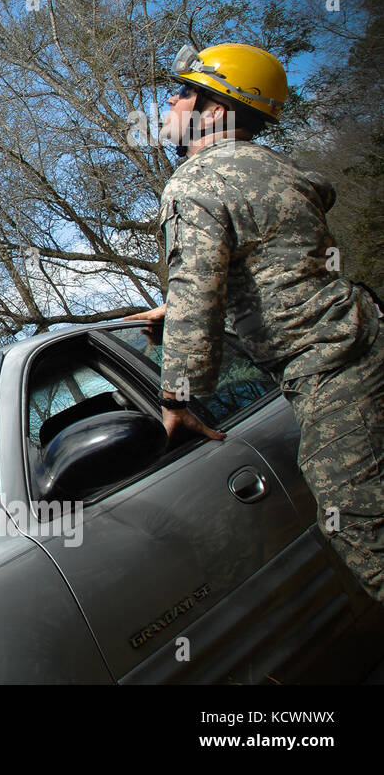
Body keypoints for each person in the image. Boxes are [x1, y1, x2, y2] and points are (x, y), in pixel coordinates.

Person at [127, 41, 384, 601]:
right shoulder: (274, 170)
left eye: (182, 92)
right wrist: (187, 307)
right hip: (368, 337)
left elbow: (196, 289)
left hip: (331, 368)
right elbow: (280, 260)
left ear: (215, 111)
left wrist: (178, 400)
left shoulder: (196, 181)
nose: (168, 103)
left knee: (364, 530)